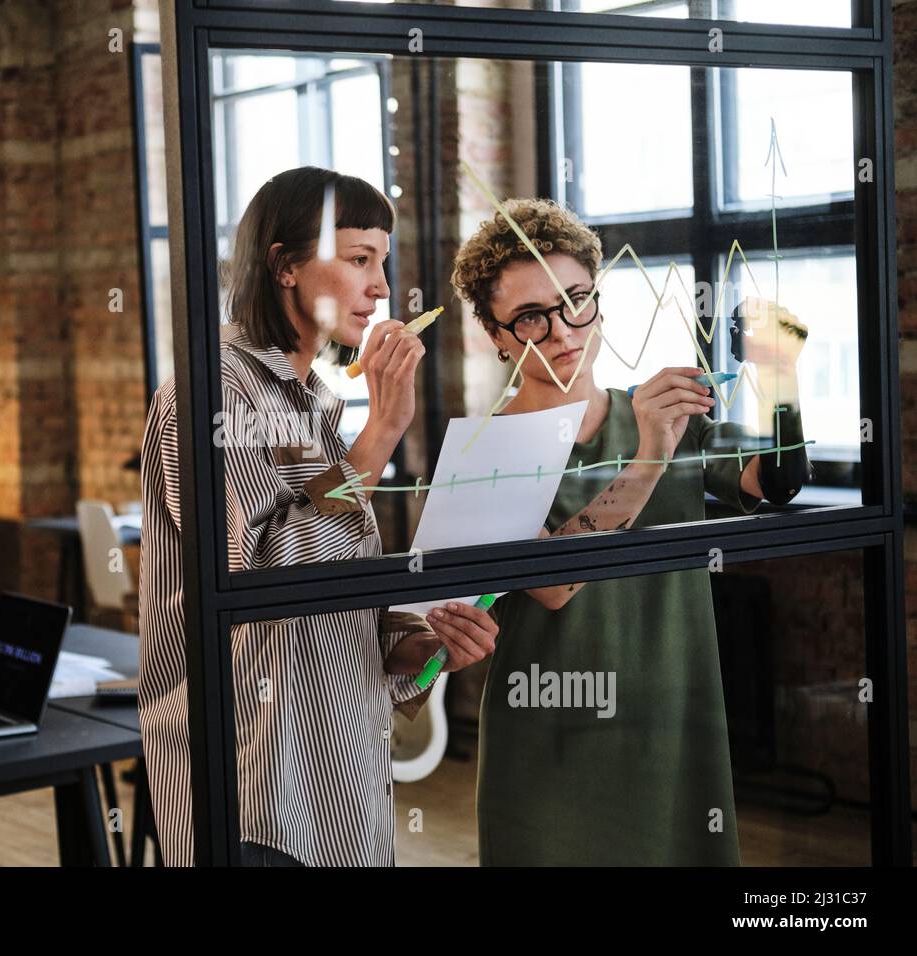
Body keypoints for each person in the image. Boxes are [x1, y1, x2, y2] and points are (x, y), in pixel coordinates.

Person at [140, 166, 499, 866]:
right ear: (283, 266)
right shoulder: (211, 387)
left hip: (341, 789)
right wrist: (382, 433)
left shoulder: (311, 407)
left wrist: (424, 646)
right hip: (261, 796)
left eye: (383, 263)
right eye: (358, 258)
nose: (381, 288)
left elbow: (334, 603)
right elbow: (263, 568)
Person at [450, 197, 810, 865]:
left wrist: (781, 376)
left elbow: (776, 481)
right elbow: (553, 583)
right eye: (531, 316)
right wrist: (650, 455)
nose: (562, 329)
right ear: (494, 332)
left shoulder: (669, 417)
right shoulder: (483, 454)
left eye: (576, 300)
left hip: (673, 732)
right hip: (550, 745)